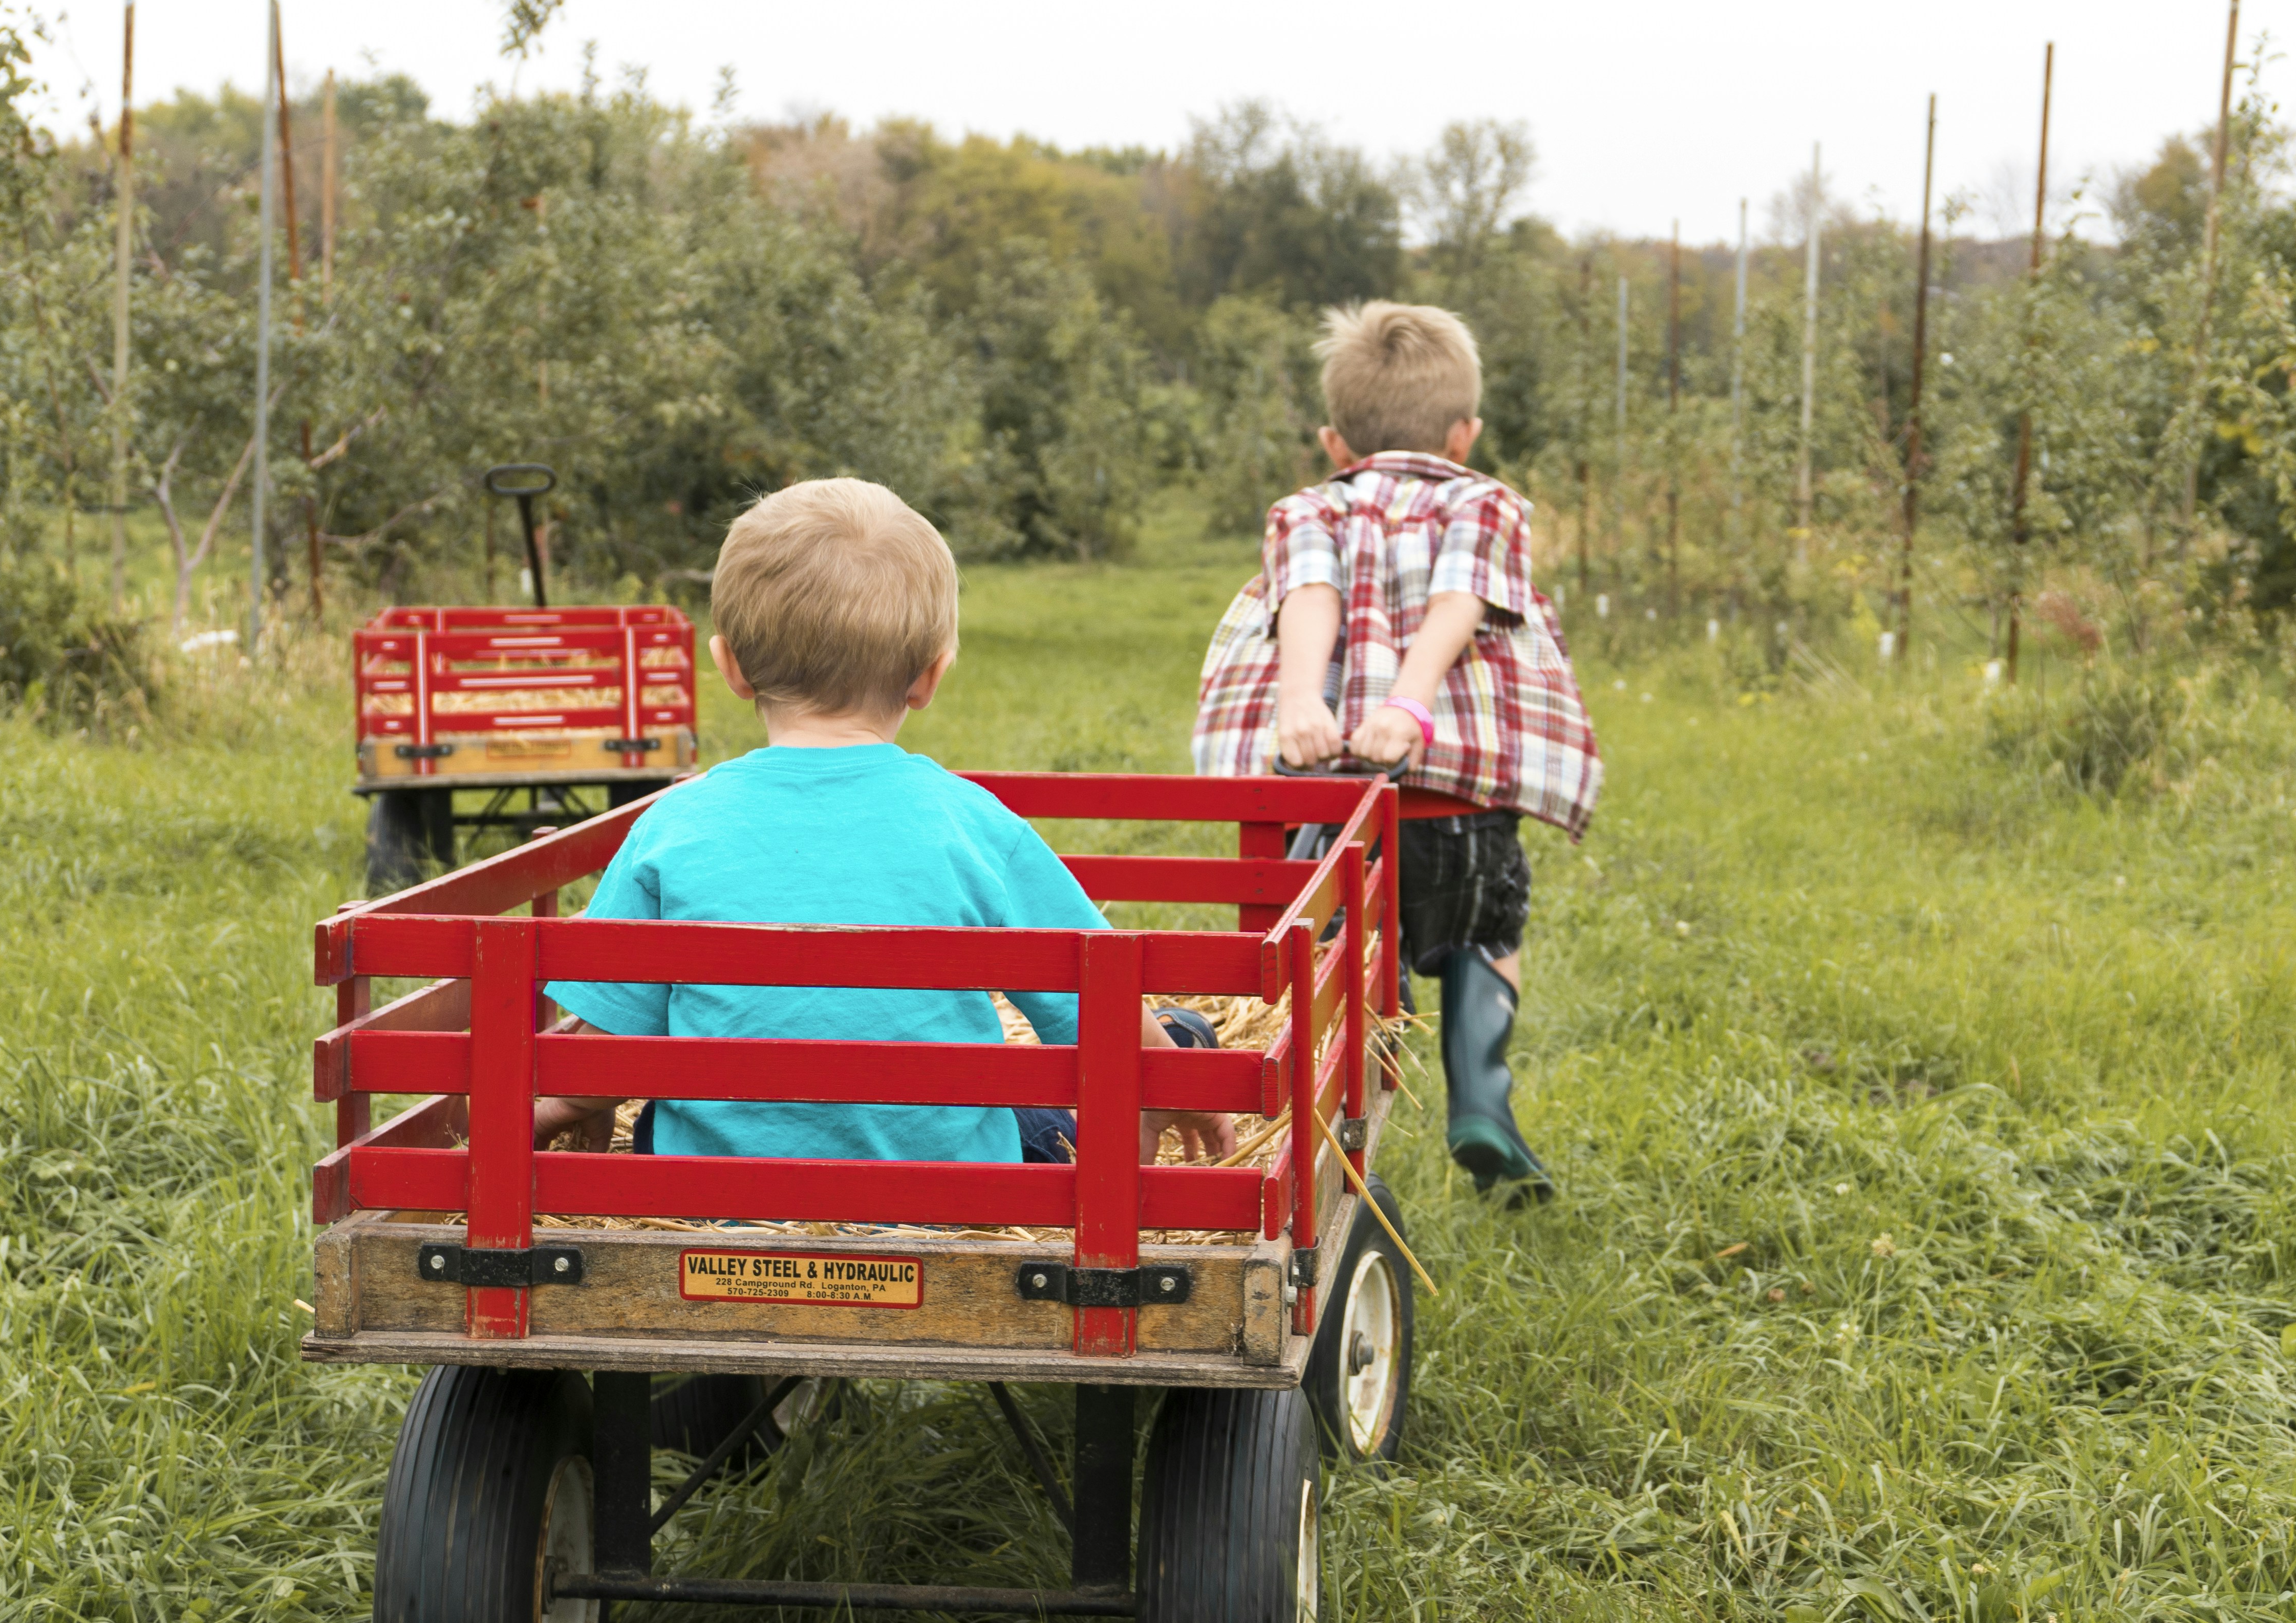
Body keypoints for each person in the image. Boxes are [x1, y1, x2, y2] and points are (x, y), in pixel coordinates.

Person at [533, 478, 1234, 1166]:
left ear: (730, 667)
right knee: (1059, 1100)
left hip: (721, 1202)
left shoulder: (674, 824)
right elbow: (1098, 996)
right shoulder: (972, 825)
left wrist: (565, 1107)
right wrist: (1176, 1086)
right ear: (930, 676)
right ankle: (1188, 1033)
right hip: (953, 1201)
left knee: (671, 1118)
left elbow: (607, 1041)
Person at [1191, 302, 1602, 1204]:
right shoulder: (1488, 500)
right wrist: (1413, 709)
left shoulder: (1306, 507)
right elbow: (1462, 599)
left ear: (1336, 442)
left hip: (1336, 806)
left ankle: (1312, 1127)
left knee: (1326, 954)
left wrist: (1304, 701)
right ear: (1465, 434)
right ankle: (1482, 1102)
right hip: (1457, 803)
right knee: (1485, 933)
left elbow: (1309, 593)